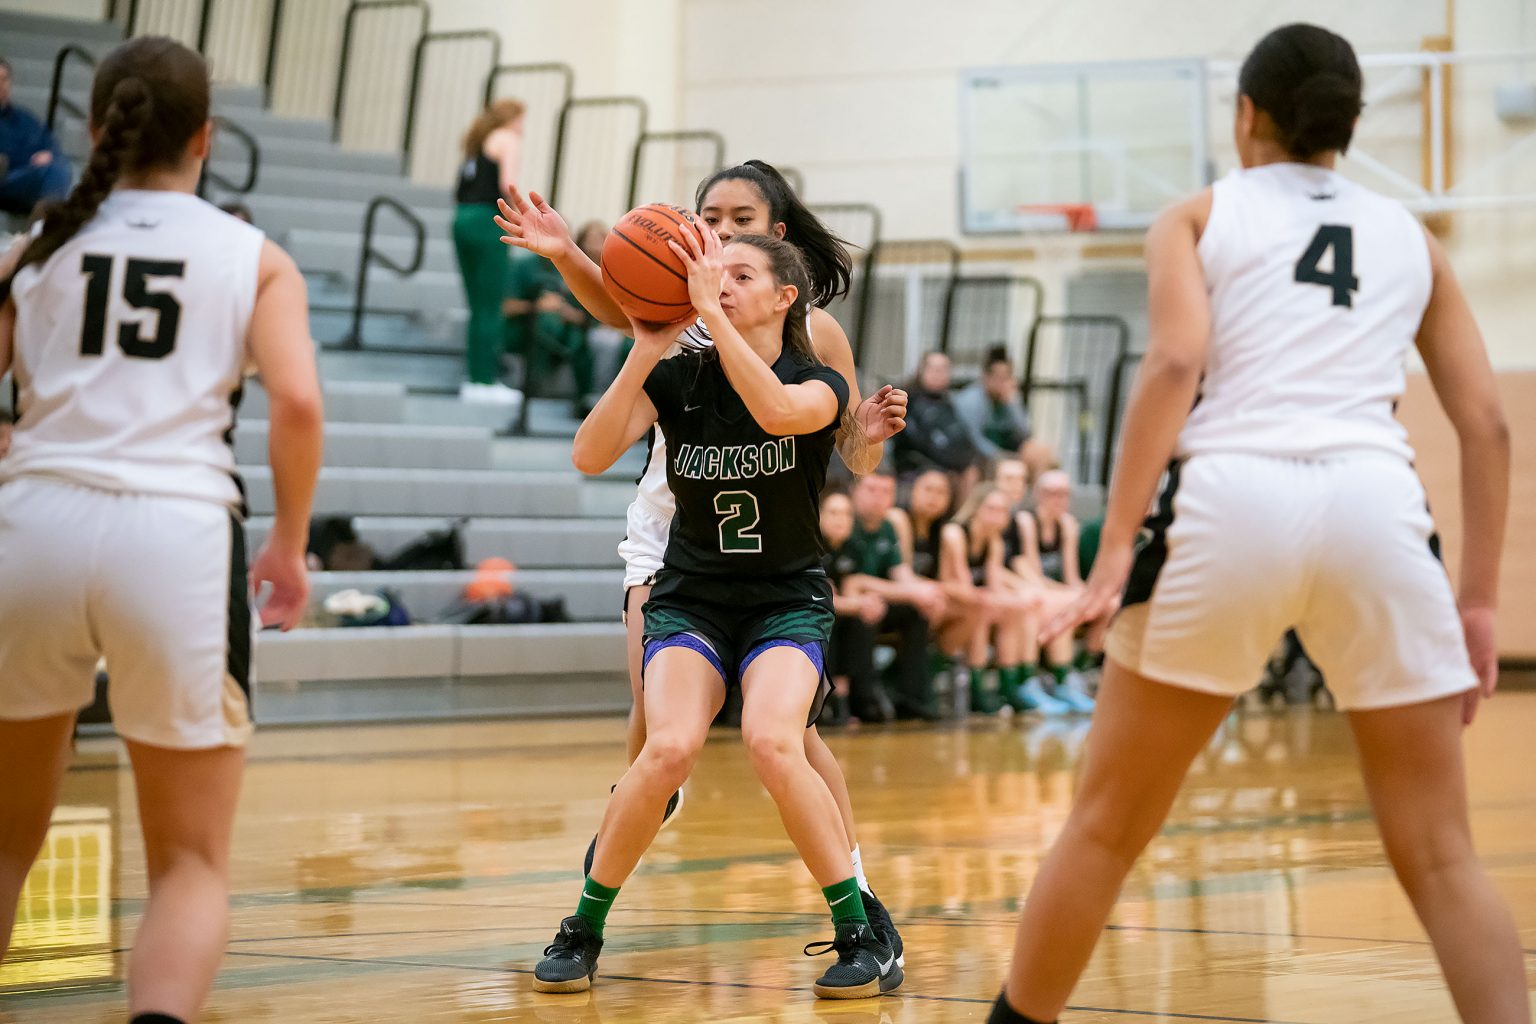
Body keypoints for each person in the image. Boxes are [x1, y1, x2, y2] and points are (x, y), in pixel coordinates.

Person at [990, 24, 1524, 1024]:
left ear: (1246, 115)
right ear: (1348, 126)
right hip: (1377, 505)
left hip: (1233, 499)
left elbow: (1174, 365)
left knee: (1105, 828)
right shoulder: (1411, 236)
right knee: (1445, 856)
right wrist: (1482, 601)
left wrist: (1112, 552)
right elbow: (1487, 423)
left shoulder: (1196, 217)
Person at [495, 160, 909, 957]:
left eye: (740, 220)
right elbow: (623, 309)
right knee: (659, 730)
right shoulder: (683, 308)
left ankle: (856, 895)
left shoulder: (803, 331)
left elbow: (837, 444)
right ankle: (633, 834)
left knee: (787, 737)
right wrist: (566, 256)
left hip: (775, 551)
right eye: (708, 215)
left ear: (778, 242)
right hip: (673, 529)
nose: (719, 232)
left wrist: (870, 434)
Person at [0, 36, 322, 1024]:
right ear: (206, 139)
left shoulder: (34, 247)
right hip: (176, 534)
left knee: (8, 840)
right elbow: (299, 405)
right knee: (188, 859)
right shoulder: (252, 256)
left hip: (34, 524)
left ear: (95, 131)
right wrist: (288, 542)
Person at [841, 471, 947, 720]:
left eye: (886, 492)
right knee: (868, 612)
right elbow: (854, 583)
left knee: (917, 611)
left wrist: (924, 592)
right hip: (847, 604)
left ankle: (911, 698)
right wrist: (912, 591)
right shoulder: (846, 524)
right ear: (854, 492)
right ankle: (863, 700)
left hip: (877, 600)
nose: (878, 498)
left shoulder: (888, 528)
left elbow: (900, 573)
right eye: (871, 490)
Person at [942, 484, 1046, 715]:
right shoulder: (955, 533)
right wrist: (1010, 600)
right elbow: (963, 586)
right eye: (991, 508)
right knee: (983, 610)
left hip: (975, 601)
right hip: (948, 600)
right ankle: (977, 690)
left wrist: (1017, 601)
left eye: (1002, 510)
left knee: (1017, 611)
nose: (996, 515)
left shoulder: (995, 541)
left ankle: (1013, 685)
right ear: (976, 507)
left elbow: (994, 587)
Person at [453, 98, 523, 405]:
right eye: (522, 119)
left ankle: (476, 378)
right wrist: (524, 214)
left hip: (461, 219)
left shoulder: (477, 142)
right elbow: (508, 183)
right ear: (512, 119)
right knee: (491, 305)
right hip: (486, 221)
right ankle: (484, 380)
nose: (524, 127)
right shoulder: (507, 138)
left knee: (478, 307)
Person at [1012, 470, 1098, 711]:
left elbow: (1071, 577)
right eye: (1053, 494)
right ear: (1039, 495)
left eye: (1064, 494)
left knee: (1097, 602)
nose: (1059, 500)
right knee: (1059, 603)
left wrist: (1087, 593)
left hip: (1054, 593)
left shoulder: (1068, 524)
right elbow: (1034, 574)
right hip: (1034, 587)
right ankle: (1051, 679)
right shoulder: (1027, 521)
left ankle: (1071, 676)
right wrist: (1068, 594)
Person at [504, 219, 604, 418]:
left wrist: (569, 313)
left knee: (579, 339)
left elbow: (588, 313)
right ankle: (534, 391)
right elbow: (506, 307)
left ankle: (584, 399)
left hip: (565, 328)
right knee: (545, 323)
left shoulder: (572, 268)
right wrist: (536, 306)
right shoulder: (523, 265)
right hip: (525, 327)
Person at [820, 488, 887, 724]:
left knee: (861, 621)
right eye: (834, 512)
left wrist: (866, 604)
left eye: (847, 514)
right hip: (808, 615)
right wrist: (859, 603)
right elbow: (822, 599)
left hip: (840, 612)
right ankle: (828, 699)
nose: (841, 519)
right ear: (819, 516)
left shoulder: (852, 547)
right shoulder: (812, 548)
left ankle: (854, 697)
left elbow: (851, 588)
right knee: (829, 619)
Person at [952, 346, 1055, 483]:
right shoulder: (969, 401)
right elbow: (974, 440)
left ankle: (1041, 498)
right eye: (998, 377)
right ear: (985, 377)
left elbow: (1026, 433)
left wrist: (1012, 405)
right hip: (982, 456)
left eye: (1007, 377)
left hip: (1008, 452)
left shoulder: (1010, 399)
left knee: (1040, 452)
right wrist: (1003, 457)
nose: (1003, 382)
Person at [892, 352, 981, 494]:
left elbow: (963, 437)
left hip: (948, 464)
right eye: (934, 369)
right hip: (915, 465)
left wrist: (963, 462)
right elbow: (918, 441)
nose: (939, 374)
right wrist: (949, 465)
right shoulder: (906, 399)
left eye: (944, 370)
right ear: (921, 370)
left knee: (971, 471)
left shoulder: (949, 403)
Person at [0, 58, 72, 217]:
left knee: (59, 167)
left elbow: (51, 146)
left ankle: (47, 221)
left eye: (5, 79)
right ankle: (49, 225)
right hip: (6, 180)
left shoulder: (25, 119)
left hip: (25, 180)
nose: (1, 85)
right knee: (51, 172)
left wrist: (50, 155)